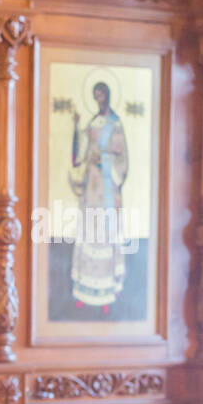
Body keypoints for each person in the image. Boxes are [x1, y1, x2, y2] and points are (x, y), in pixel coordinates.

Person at [69, 81, 129, 314]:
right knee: (88, 234)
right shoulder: (93, 123)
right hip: (90, 189)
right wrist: (75, 127)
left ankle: (106, 294)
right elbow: (81, 153)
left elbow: (122, 161)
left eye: (101, 95)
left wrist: (103, 160)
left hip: (106, 189)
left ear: (108, 95)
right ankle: (83, 290)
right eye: (95, 96)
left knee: (104, 236)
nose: (99, 100)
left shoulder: (115, 125)